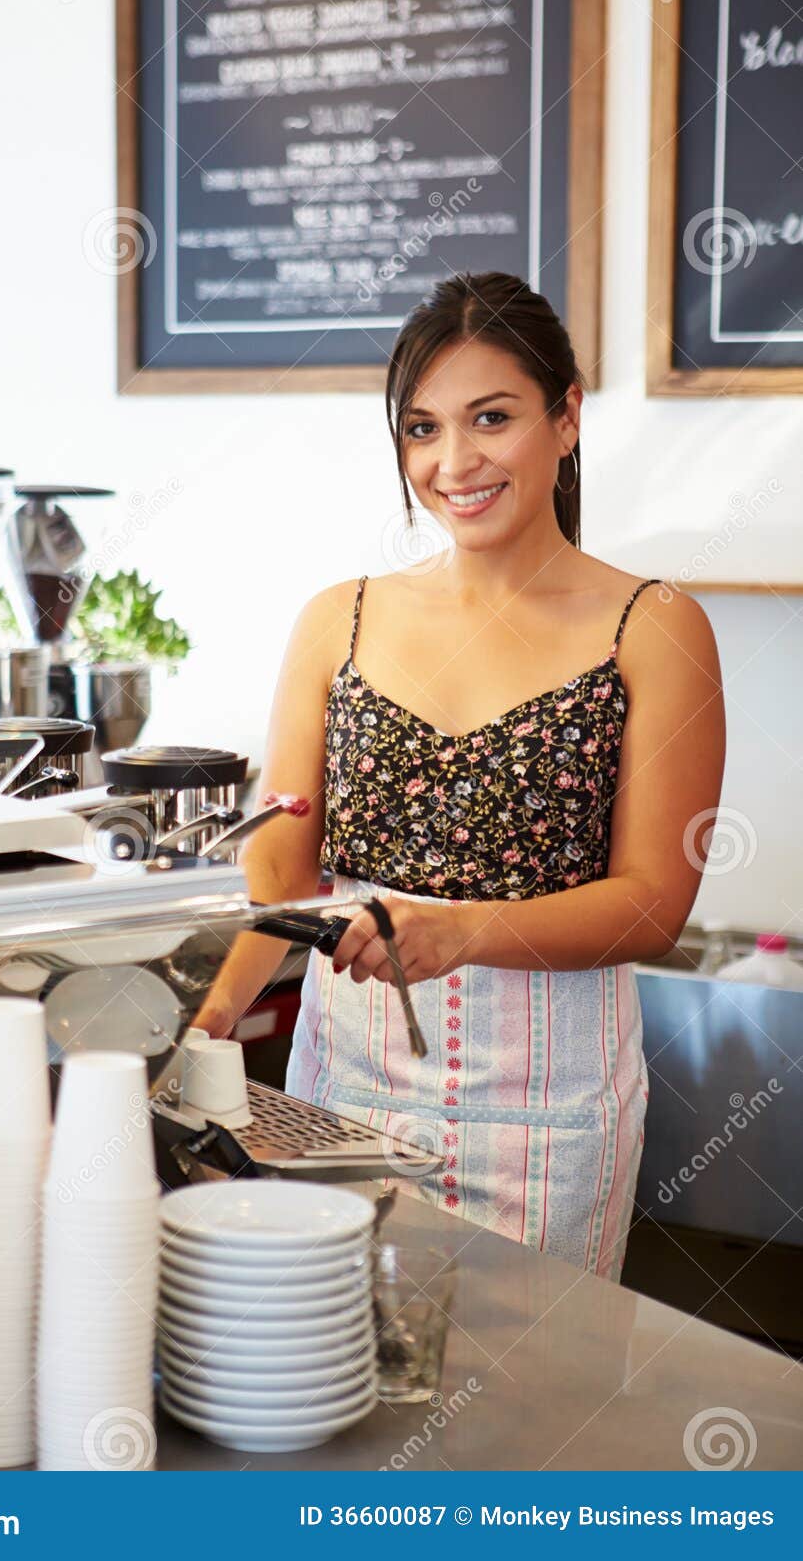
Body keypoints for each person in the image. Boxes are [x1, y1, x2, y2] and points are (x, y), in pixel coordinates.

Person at [194, 272, 725, 1282]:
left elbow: (653, 904)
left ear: (565, 417)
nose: (453, 461)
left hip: (547, 1120)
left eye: (491, 418)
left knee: (526, 1413)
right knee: (325, 1385)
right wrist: (212, 1021)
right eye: (421, 429)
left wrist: (459, 931)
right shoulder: (334, 619)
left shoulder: (651, 628)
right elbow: (281, 878)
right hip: (336, 1099)